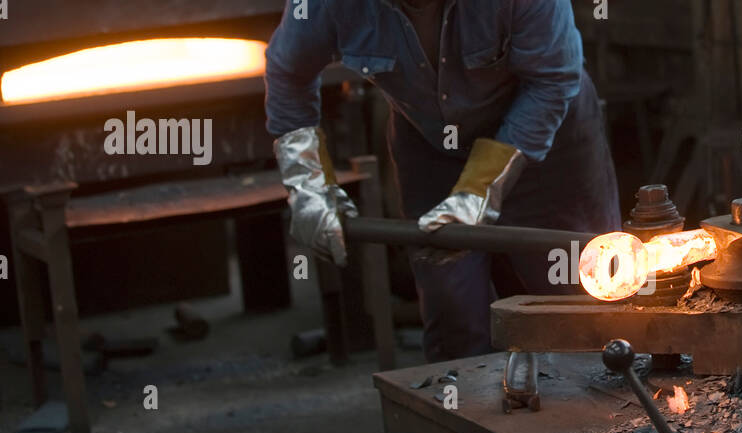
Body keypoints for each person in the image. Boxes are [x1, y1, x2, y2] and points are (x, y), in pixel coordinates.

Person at [265, 0, 620, 362]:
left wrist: (480, 187)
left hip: (551, 144)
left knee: (578, 303)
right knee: (454, 314)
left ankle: (598, 409)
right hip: (432, 149)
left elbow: (551, 78)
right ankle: (463, 405)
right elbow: (288, 71)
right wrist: (307, 184)